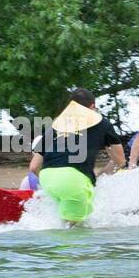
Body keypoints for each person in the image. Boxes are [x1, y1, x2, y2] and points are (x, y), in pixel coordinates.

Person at [26, 89, 126, 225]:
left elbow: (33, 167)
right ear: (92, 106)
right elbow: (120, 161)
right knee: (75, 234)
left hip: (48, 179)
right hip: (74, 181)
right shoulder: (103, 124)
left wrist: (53, 183)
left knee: (64, 225)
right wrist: (101, 175)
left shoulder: (55, 125)